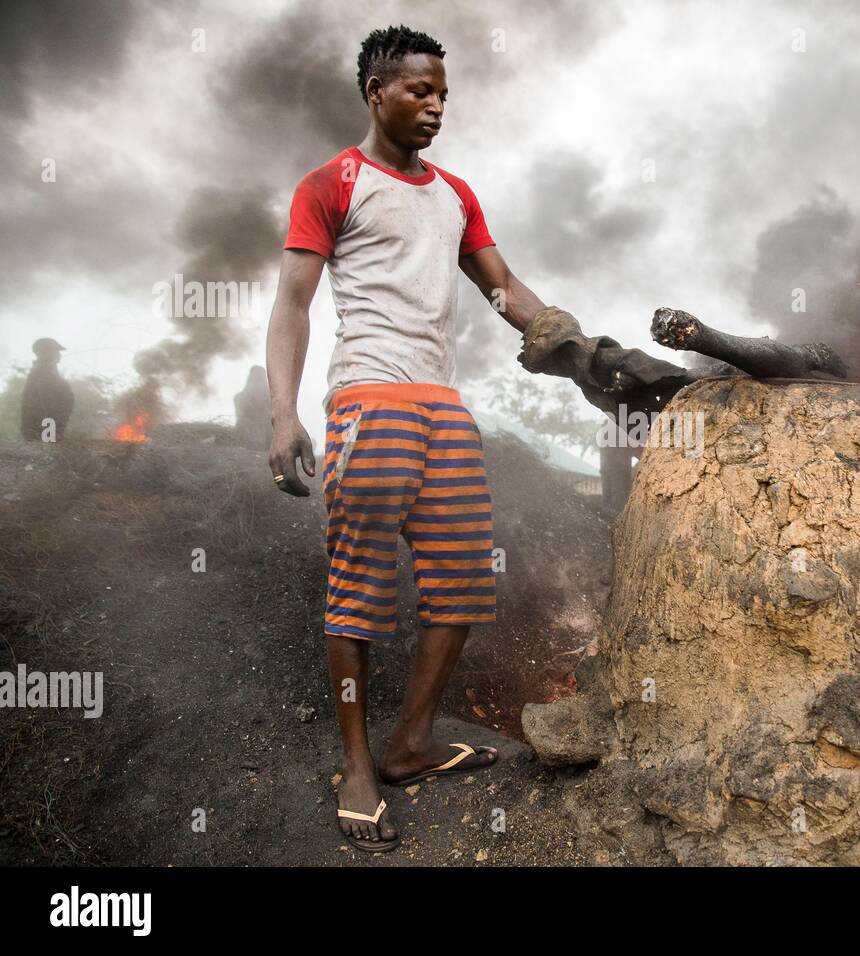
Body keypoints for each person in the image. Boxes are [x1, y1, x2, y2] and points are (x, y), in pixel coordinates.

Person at [265, 25, 554, 853]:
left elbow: (501, 286)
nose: (434, 107)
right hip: (368, 400)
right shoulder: (333, 183)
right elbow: (292, 304)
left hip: (443, 406)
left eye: (443, 95)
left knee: (463, 582)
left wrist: (571, 340)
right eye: (418, 91)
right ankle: (356, 766)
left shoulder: (455, 194)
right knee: (359, 589)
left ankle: (409, 744)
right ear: (375, 92)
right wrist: (284, 412)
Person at [20, 338, 74, 441]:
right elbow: (47, 406)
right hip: (45, 428)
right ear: (46, 353)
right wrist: (50, 431)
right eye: (56, 351)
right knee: (47, 454)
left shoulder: (45, 373)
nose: (59, 355)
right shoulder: (42, 374)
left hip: (47, 427)